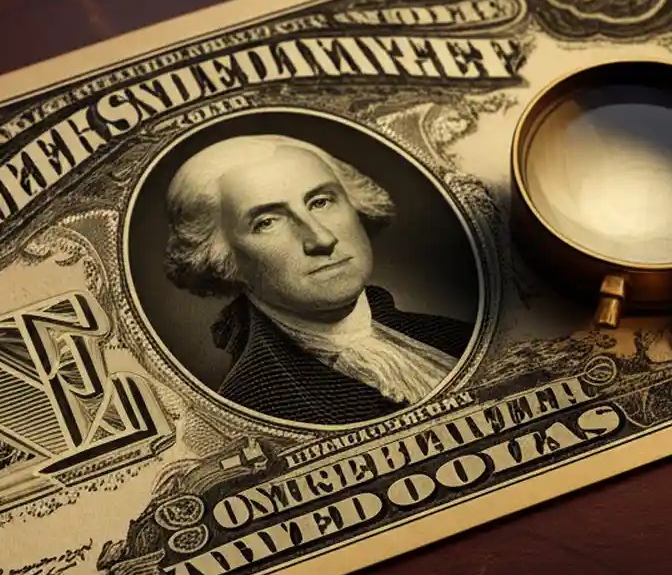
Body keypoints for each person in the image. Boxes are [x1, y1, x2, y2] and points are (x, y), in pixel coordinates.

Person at [163, 133, 472, 425]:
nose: (321, 239)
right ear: (219, 258)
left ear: (357, 206)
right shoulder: (253, 407)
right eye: (267, 222)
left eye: (321, 202)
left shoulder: (454, 336)